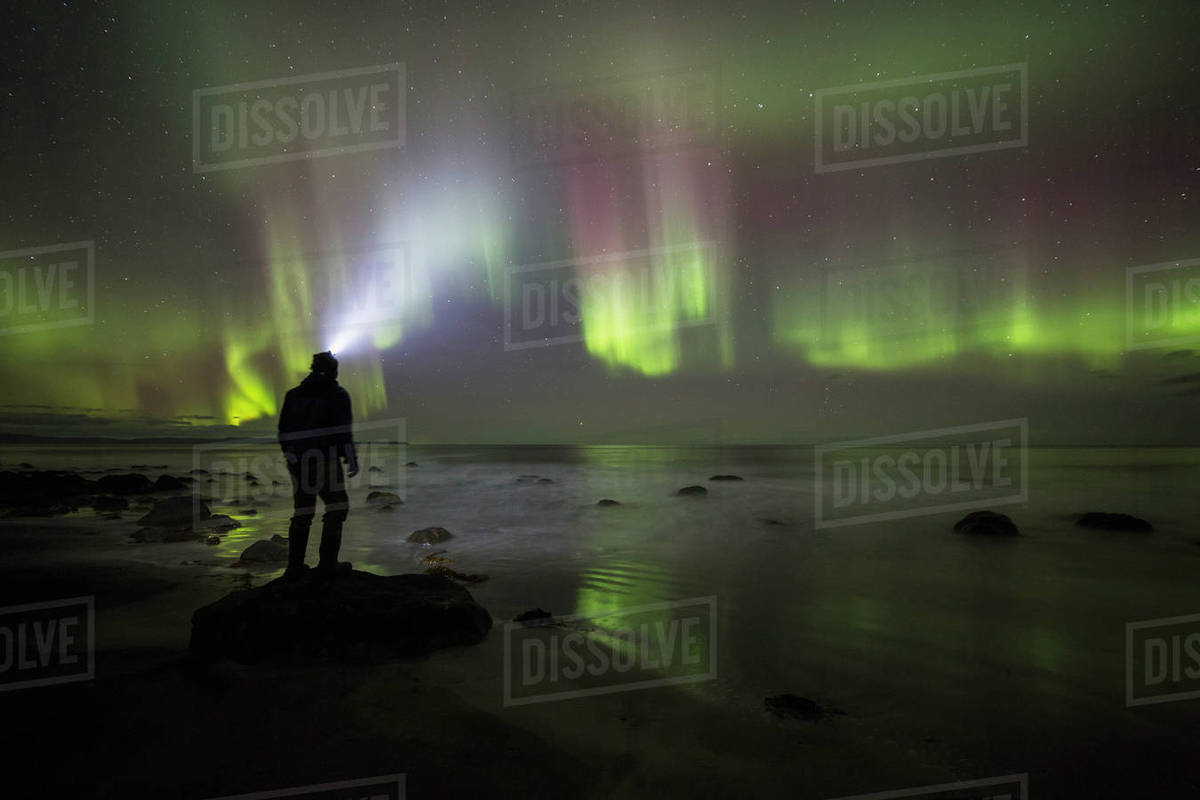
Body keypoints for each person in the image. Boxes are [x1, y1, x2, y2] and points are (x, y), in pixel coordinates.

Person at [277, 351, 359, 578]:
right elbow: (343, 430)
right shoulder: (337, 394)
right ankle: (328, 564)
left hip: (298, 460)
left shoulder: (293, 395)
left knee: (303, 511)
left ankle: (294, 567)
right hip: (325, 459)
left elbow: (283, 430)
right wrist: (350, 458)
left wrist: (290, 455)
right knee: (337, 507)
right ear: (333, 370)